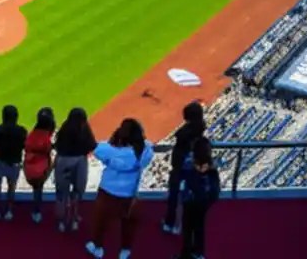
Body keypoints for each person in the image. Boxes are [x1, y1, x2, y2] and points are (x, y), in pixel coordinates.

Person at [84, 118, 153, 259]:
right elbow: (147, 145)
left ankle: (97, 247)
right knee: (128, 223)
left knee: (100, 221)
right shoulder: (144, 151)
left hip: (108, 191)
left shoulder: (109, 151)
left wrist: (115, 139)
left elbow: (97, 149)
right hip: (129, 193)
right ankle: (125, 250)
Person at [163, 101, 206, 235]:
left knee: (175, 196)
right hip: (191, 168)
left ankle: (172, 224)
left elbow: (179, 136)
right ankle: (180, 224)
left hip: (182, 167)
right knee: (186, 197)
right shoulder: (199, 127)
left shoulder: (188, 131)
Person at [54, 107, 97, 233]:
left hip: (63, 162)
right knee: (77, 193)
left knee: (62, 193)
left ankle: (61, 221)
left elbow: (57, 146)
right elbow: (92, 145)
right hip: (79, 162)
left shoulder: (65, 127)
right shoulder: (84, 129)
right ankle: (73, 219)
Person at [178, 137, 221, 259]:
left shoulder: (188, 162)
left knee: (187, 227)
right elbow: (215, 185)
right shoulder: (212, 165)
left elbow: (182, 175)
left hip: (190, 200)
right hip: (204, 201)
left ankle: (186, 254)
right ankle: (199, 253)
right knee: (199, 226)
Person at [0, 104, 27, 221]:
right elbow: (24, 146)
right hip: (14, 163)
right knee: (11, 188)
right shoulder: (22, 131)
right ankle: (9, 210)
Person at [24, 107, 57, 224]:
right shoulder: (45, 136)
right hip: (40, 167)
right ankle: (37, 210)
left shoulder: (32, 134)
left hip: (29, 166)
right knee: (38, 188)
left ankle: (37, 209)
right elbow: (47, 149)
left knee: (37, 189)